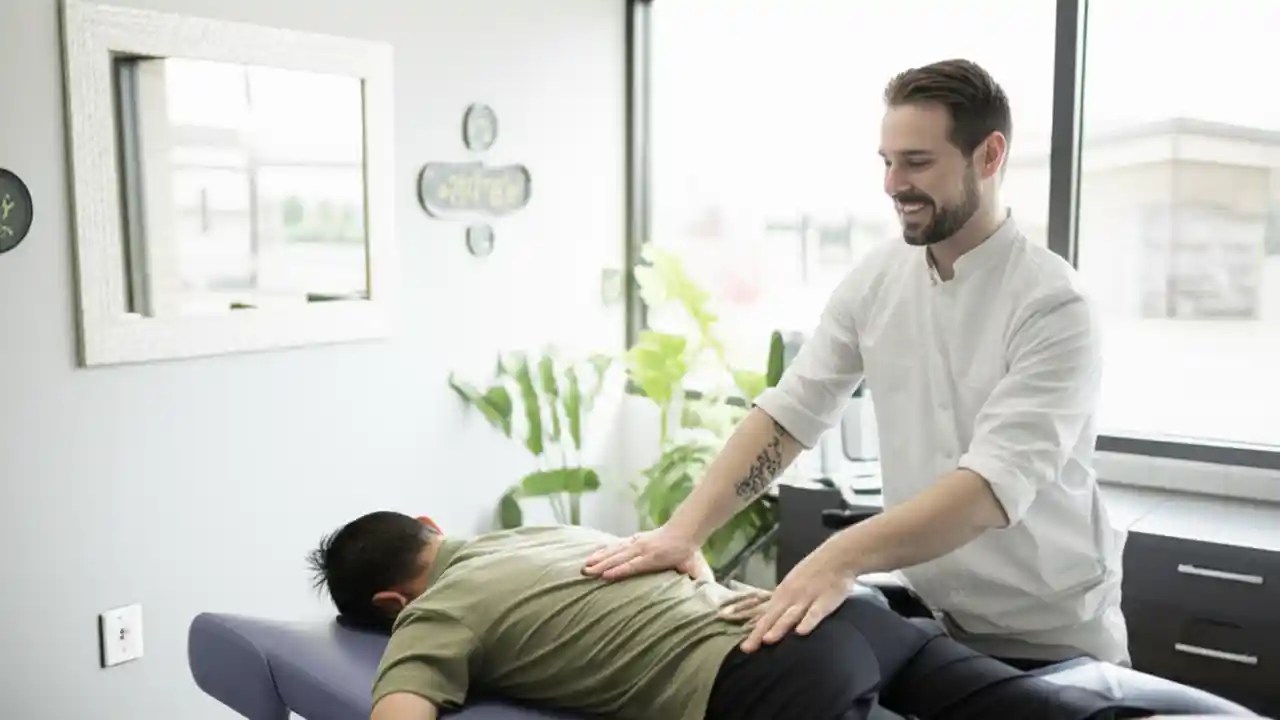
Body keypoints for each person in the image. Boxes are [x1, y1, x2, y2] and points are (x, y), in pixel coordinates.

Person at [584, 57, 1128, 670]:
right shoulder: (878, 278)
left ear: (989, 155)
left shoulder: (1054, 305)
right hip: (933, 621)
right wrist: (682, 532)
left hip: (1051, 638)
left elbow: (987, 490)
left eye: (917, 162)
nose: (894, 184)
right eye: (887, 161)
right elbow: (792, 412)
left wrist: (837, 558)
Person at [309, 511, 1154, 720]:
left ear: (390, 603)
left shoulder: (431, 616)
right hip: (839, 613)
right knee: (1045, 713)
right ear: (431, 525)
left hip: (768, 673)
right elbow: (682, 560)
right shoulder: (543, 532)